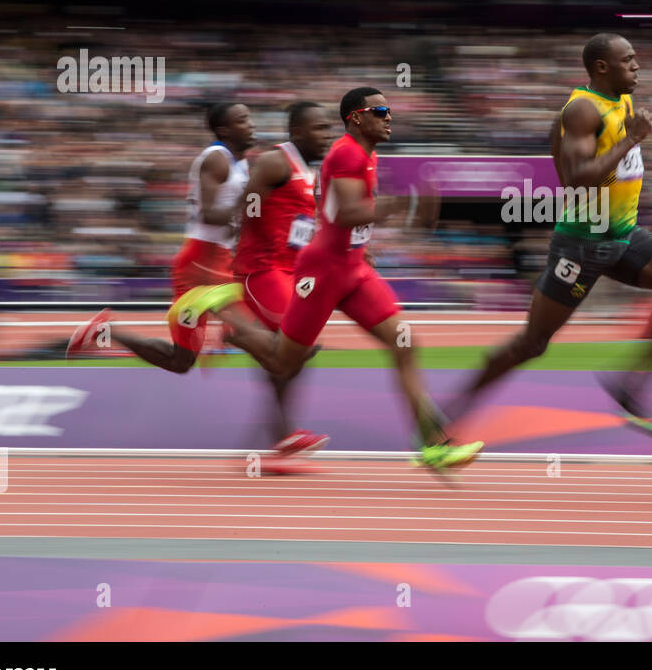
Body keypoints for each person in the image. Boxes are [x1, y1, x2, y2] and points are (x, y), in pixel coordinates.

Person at [183, 87, 483, 471]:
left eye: (389, 110)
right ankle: (224, 315)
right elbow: (347, 213)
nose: (389, 116)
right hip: (322, 274)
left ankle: (433, 445)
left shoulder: (365, 155)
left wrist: (360, 245)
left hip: (353, 270)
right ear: (357, 117)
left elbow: (329, 212)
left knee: (404, 344)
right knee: (283, 361)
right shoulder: (344, 153)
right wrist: (404, 204)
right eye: (380, 110)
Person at [443, 33, 652, 439]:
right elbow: (576, 179)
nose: (637, 66)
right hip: (581, 243)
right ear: (602, 67)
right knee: (533, 343)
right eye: (628, 60)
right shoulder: (581, 111)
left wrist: (626, 138)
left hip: (622, 234)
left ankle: (631, 383)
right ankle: (446, 417)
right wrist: (632, 138)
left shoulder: (619, 100)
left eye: (636, 58)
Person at [66, 102, 254, 371]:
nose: (252, 124)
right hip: (202, 264)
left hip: (216, 259)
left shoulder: (242, 164)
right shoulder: (216, 158)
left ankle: (106, 331)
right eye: (243, 120)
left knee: (180, 361)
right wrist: (245, 206)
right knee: (252, 328)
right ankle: (240, 340)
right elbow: (210, 215)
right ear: (225, 129)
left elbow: (237, 218)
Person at [228, 101, 334, 470]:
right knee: (296, 344)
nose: (327, 135)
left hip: (290, 272)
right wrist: (254, 233)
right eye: (320, 128)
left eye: (328, 128)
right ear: (298, 132)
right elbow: (248, 204)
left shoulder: (309, 173)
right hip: (262, 269)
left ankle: (283, 433)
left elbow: (301, 225)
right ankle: (237, 333)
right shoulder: (276, 162)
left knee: (289, 355)